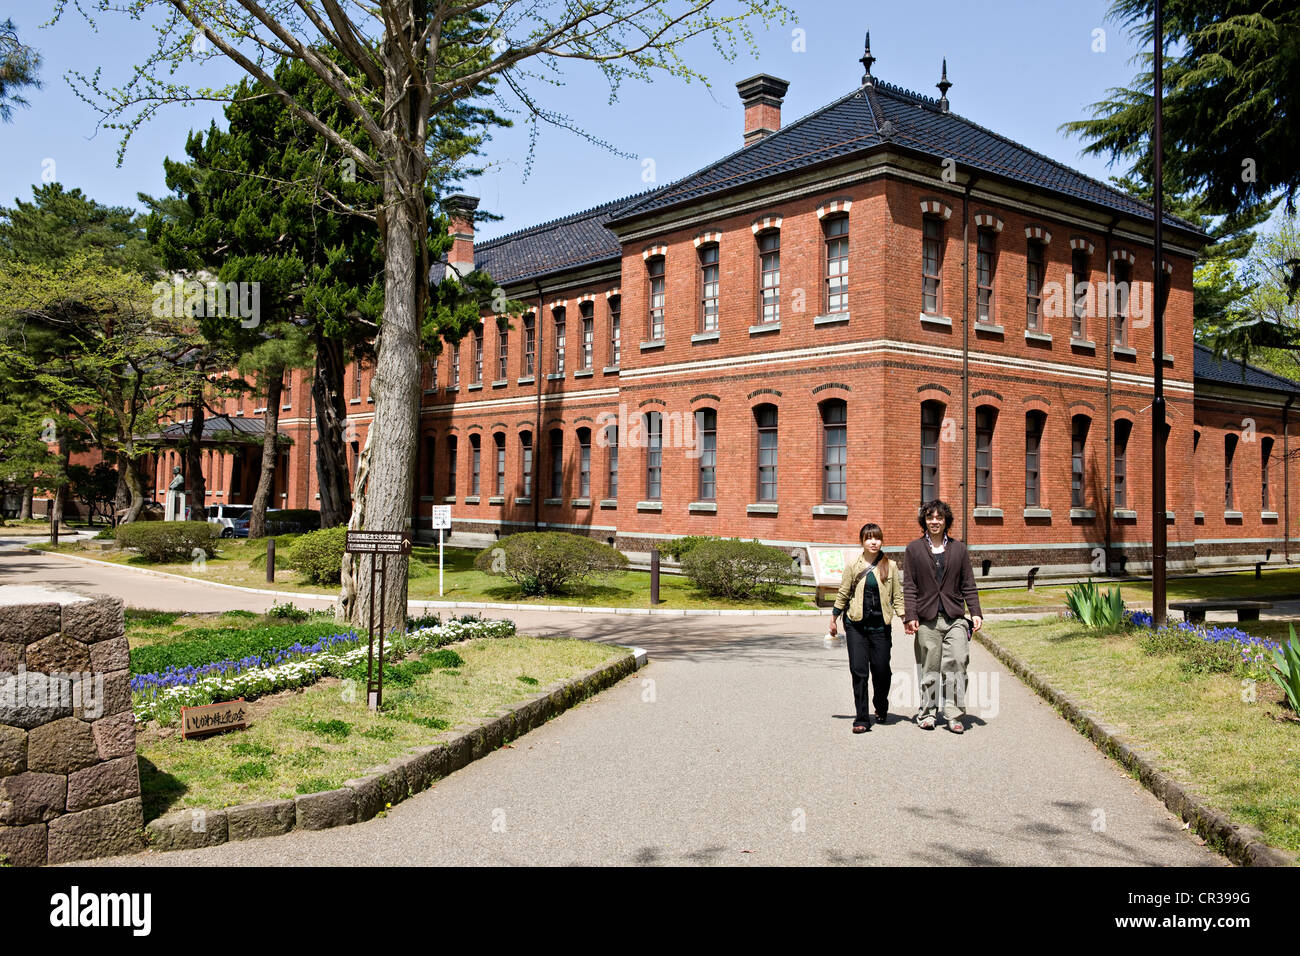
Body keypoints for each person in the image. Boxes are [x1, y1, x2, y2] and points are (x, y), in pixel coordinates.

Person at [902, 499, 983, 734]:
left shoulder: (958, 548)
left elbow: (968, 583)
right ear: (924, 521)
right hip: (926, 618)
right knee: (930, 667)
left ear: (946, 520)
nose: (934, 521)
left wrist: (975, 612)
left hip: (954, 616)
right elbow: (909, 585)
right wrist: (910, 615)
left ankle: (954, 714)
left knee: (958, 661)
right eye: (930, 517)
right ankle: (927, 713)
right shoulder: (914, 549)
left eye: (939, 517)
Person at [829, 522, 904, 733]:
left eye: (877, 538)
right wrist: (834, 617)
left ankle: (880, 705)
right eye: (869, 538)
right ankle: (862, 718)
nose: (873, 542)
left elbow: (897, 596)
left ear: (881, 540)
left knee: (882, 672)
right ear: (862, 541)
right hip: (856, 626)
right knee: (859, 672)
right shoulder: (853, 565)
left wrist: (906, 618)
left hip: (881, 628)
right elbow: (844, 592)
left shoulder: (891, 566)